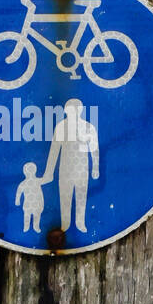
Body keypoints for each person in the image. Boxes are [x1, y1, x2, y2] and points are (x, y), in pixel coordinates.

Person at [41, 98, 99, 233]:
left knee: (81, 196)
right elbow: (54, 150)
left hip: (82, 168)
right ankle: (65, 224)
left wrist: (95, 168)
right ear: (66, 111)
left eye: (76, 109)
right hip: (65, 168)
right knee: (65, 196)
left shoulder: (88, 127)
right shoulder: (61, 126)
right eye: (70, 109)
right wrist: (49, 172)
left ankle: (80, 223)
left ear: (80, 110)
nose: (73, 112)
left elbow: (94, 149)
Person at [15, 162, 45, 233]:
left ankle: (36, 227)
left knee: (36, 216)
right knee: (27, 216)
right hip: (28, 204)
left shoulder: (37, 181)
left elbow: (48, 179)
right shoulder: (24, 183)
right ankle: (26, 227)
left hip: (37, 204)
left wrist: (49, 174)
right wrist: (17, 200)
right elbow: (19, 192)